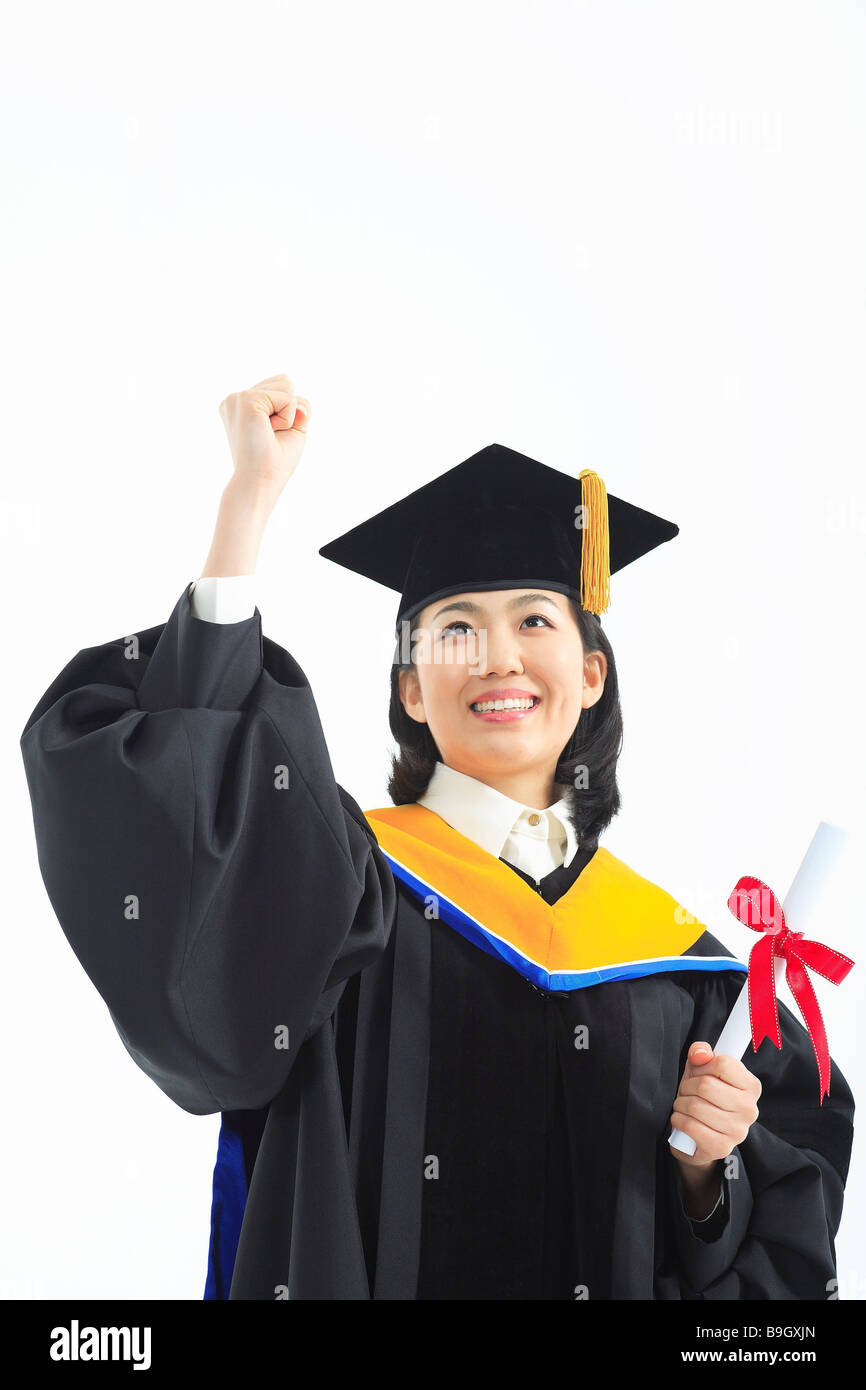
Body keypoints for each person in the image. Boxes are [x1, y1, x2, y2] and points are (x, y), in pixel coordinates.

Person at [20, 374, 854, 1300]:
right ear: (412, 689)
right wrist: (245, 506)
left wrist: (708, 1171)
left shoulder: (676, 972)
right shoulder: (337, 883)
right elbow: (193, 803)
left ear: (588, 675)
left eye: (535, 621)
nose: (497, 657)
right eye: (454, 630)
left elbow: (772, 1270)